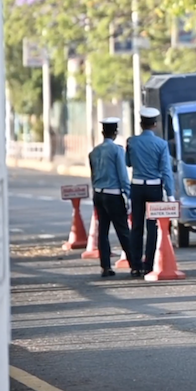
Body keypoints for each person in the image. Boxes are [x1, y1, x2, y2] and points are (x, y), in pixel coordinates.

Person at [126, 107, 174, 277]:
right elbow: (166, 171)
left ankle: (135, 265)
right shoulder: (161, 144)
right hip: (154, 188)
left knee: (136, 226)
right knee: (153, 226)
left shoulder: (131, 142)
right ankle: (149, 264)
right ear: (155, 124)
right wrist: (170, 193)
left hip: (137, 187)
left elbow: (128, 163)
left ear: (141, 124)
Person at [87, 118, 137, 277]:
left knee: (103, 231)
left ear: (102, 133)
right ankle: (134, 265)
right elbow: (123, 176)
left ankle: (105, 267)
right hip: (113, 195)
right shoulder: (117, 150)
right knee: (123, 230)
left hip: (98, 194)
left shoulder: (94, 152)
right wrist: (128, 195)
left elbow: (93, 175)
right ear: (115, 133)